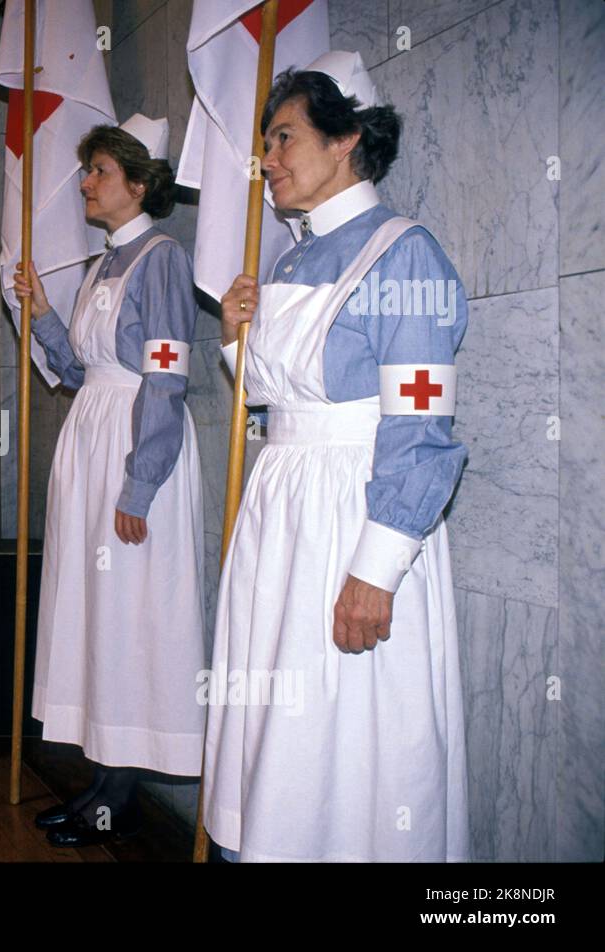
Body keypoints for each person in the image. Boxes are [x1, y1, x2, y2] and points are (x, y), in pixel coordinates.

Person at [202, 52, 469, 862]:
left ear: (347, 137)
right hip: (280, 515)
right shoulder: (287, 259)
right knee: (277, 736)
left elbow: (421, 424)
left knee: (346, 736)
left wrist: (376, 567)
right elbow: (273, 400)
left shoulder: (404, 255)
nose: (268, 161)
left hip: (351, 520)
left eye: (283, 138)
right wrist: (232, 339)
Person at [14, 115, 206, 848]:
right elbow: (73, 370)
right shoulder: (101, 266)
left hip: (133, 445)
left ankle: (120, 789)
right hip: (91, 436)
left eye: (97, 171)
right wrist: (39, 315)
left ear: (137, 181)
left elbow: (165, 375)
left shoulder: (161, 260)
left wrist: (139, 484)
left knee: (131, 610)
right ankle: (101, 776)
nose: (85, 183)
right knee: (95, 607)